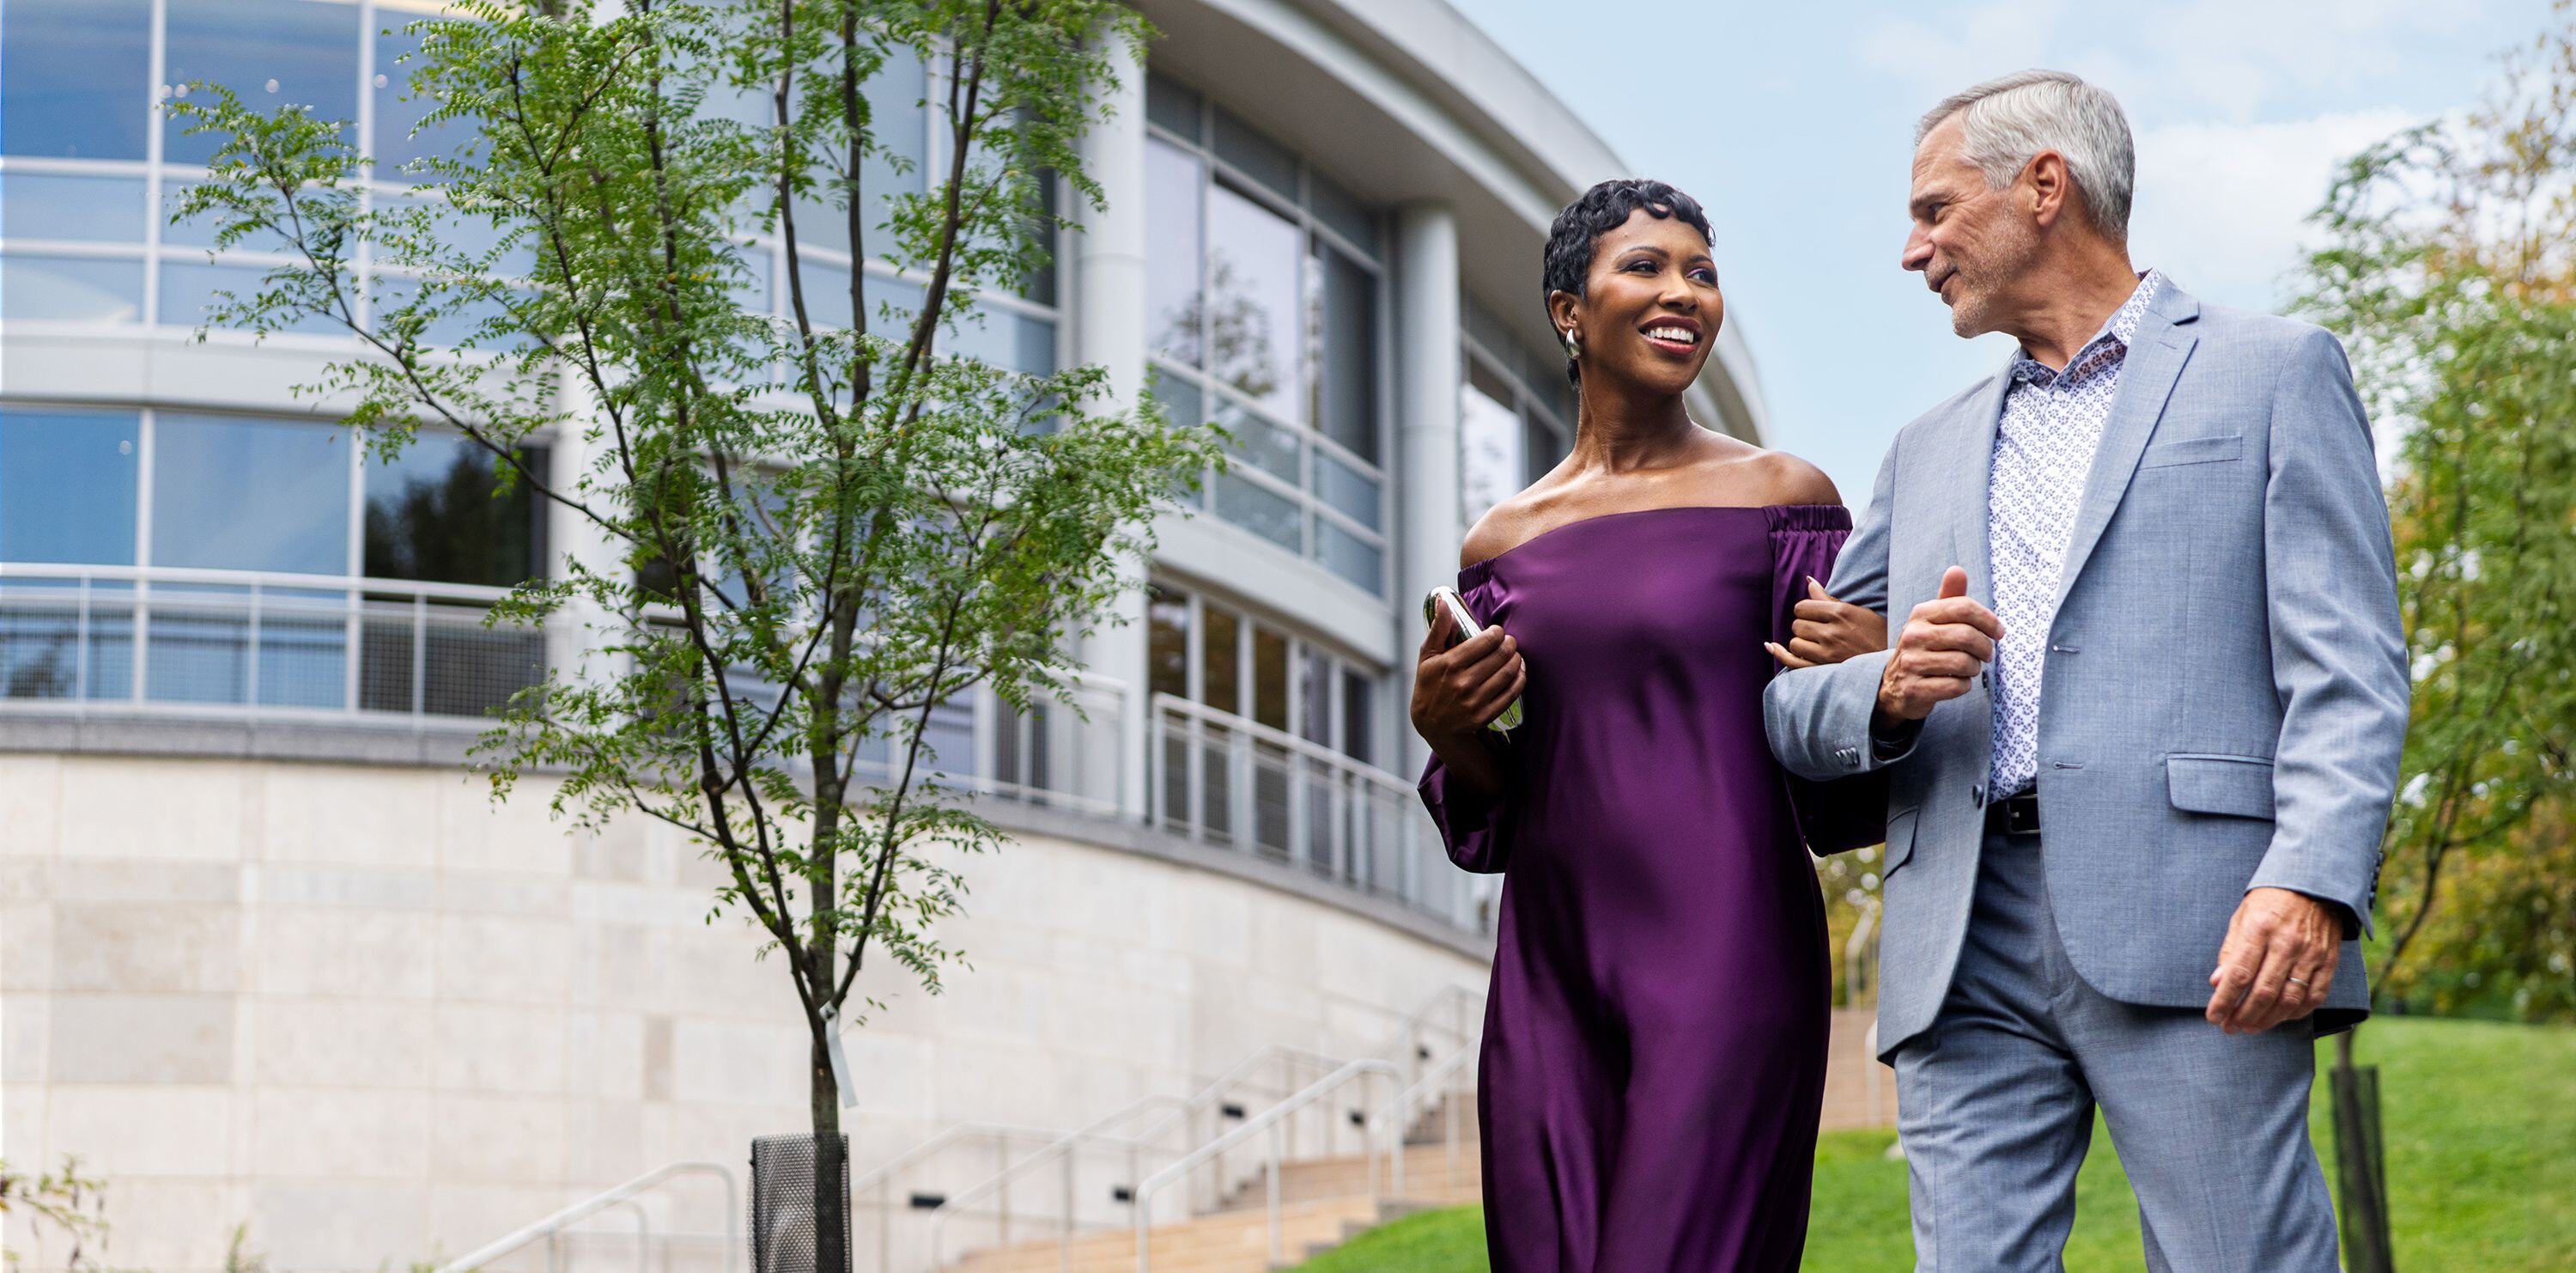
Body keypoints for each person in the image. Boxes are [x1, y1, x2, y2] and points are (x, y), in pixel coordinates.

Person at [1765, 70, 2410, 1271]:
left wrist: (2313, 881)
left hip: (2204, 922)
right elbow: (1793, 699)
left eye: (1935, 210)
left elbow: (2350, 667)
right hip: (1960, 937)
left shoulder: (2273, 372)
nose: (1915, 252)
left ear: (2044, 187)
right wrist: (1889, 689)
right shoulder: (1926, 446)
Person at [1411, 178, 1883, 1271]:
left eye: (1703, 273)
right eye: (1648, 266)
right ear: (1568, 309)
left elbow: (1842, 751)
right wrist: (1449, 730)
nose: (1685, 293)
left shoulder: (1783, 497)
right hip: (1551, 965)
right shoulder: (1500, 544)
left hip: (1731, 948)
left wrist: (1876, 675)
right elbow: (1501, 807)